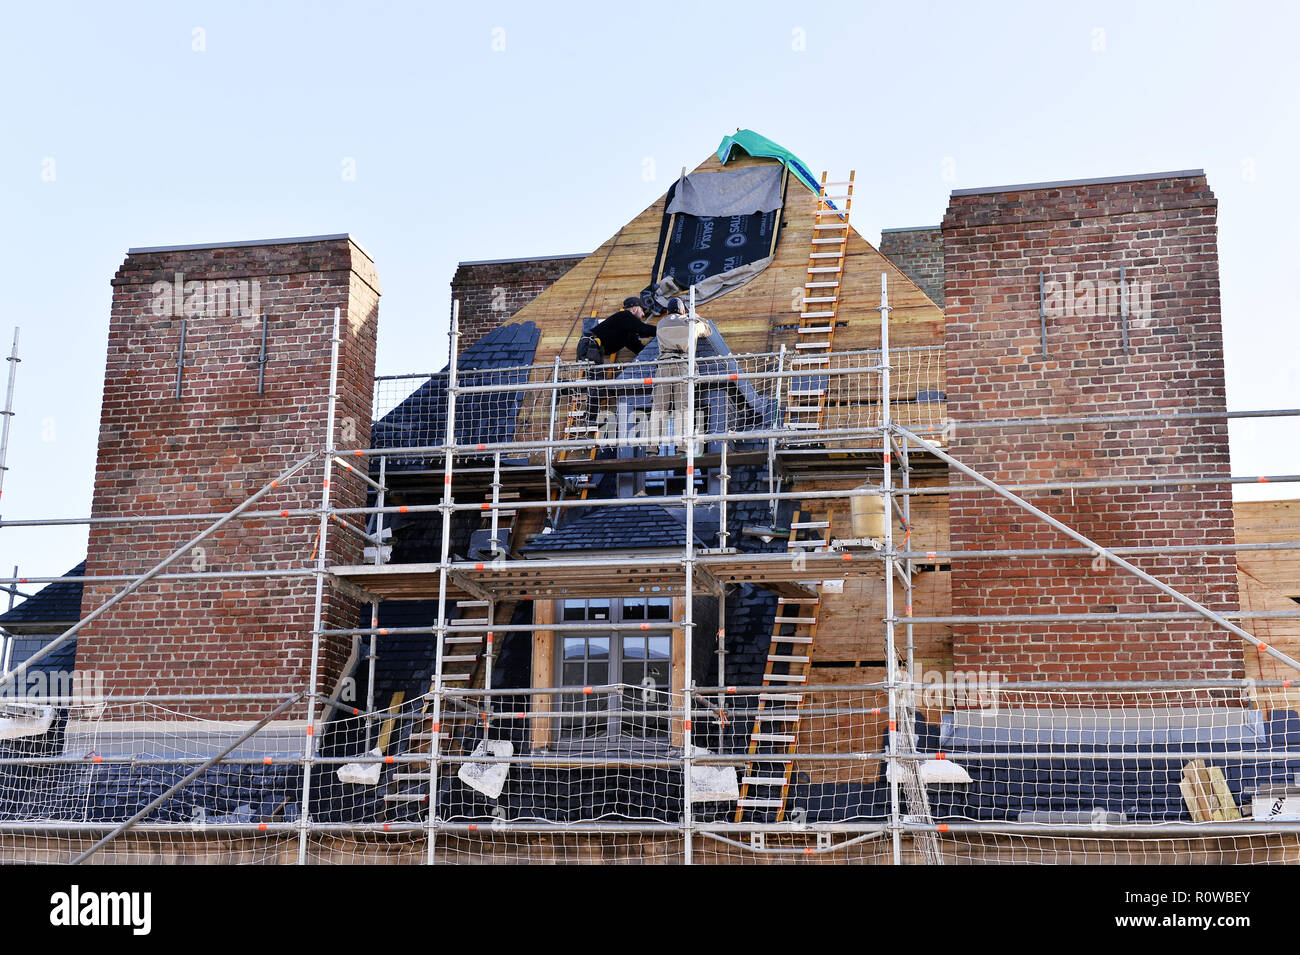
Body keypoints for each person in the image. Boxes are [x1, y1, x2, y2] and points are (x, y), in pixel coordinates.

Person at [650, 297, 713, 452]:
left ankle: (651, 446)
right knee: (683, 407)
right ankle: (683, 445)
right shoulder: (691, 323)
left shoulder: (661, 323)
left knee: (658, 407)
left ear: (667, 311)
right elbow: (708, 330)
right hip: (682, 365)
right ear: (684, 311)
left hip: (663, 366)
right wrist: (695, 316)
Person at [576, 297, 658, 364]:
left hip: (592, 348)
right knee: (595, 378)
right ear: (634, 309)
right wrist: (662, 330)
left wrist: (652, 355)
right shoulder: (625, 316)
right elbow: (644, 329)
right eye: (642, 310)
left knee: (595, 378)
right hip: (591, 346)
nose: (643, 314)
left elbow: (637, 347)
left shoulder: (627, 332)